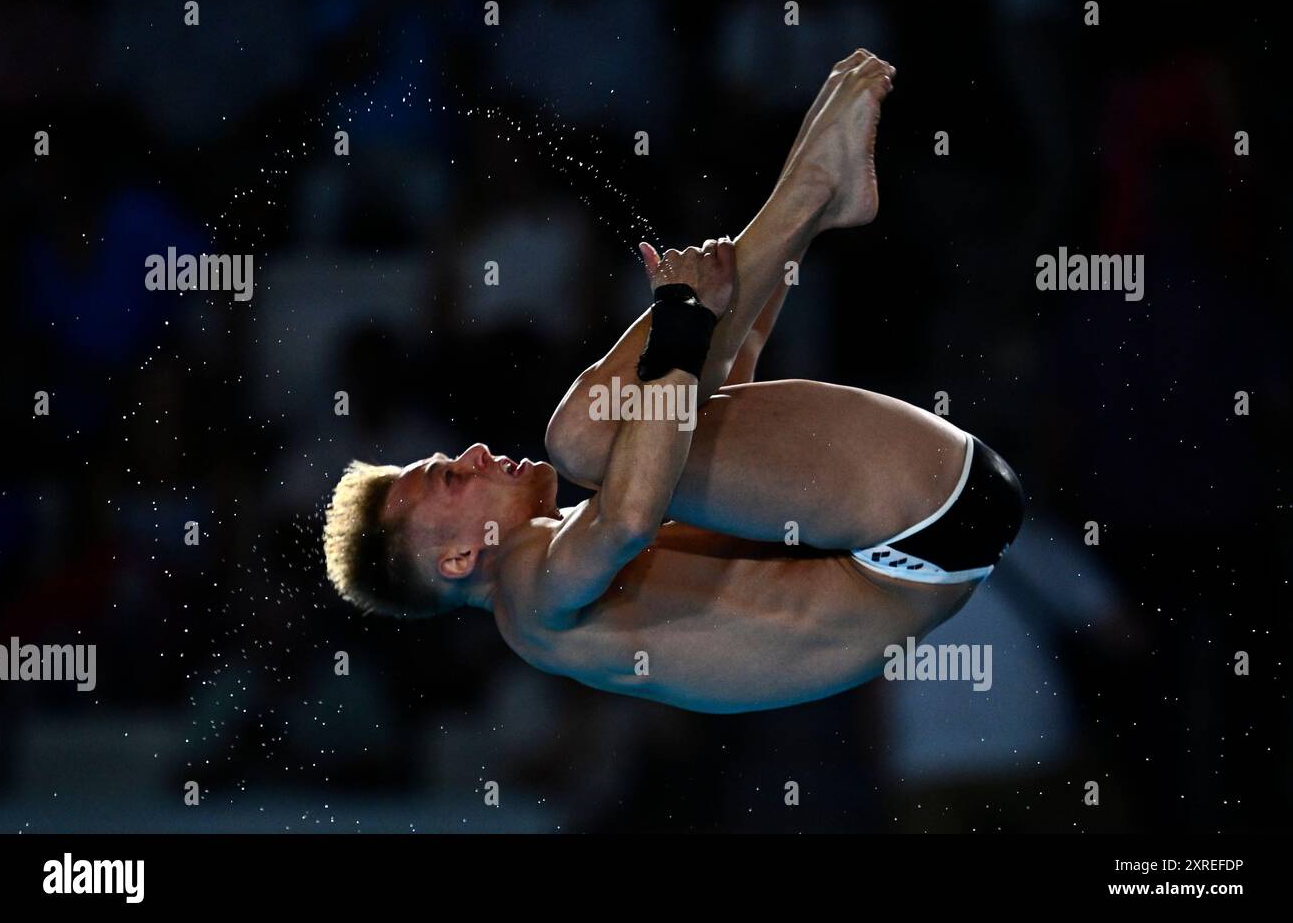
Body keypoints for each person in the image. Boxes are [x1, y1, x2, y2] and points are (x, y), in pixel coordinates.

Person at [323, 50, 1023, 713]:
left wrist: (775, 253)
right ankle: (813, 187)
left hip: (934, 527)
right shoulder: (525, 599)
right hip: (911, 529)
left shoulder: (562, 560)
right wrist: (683, 319)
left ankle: (817, 194)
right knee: (583, 435)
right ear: (458, 558)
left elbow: (722, 376)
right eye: (450, 477)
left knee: (654, 413)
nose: (473, 452)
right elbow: (626, 520)